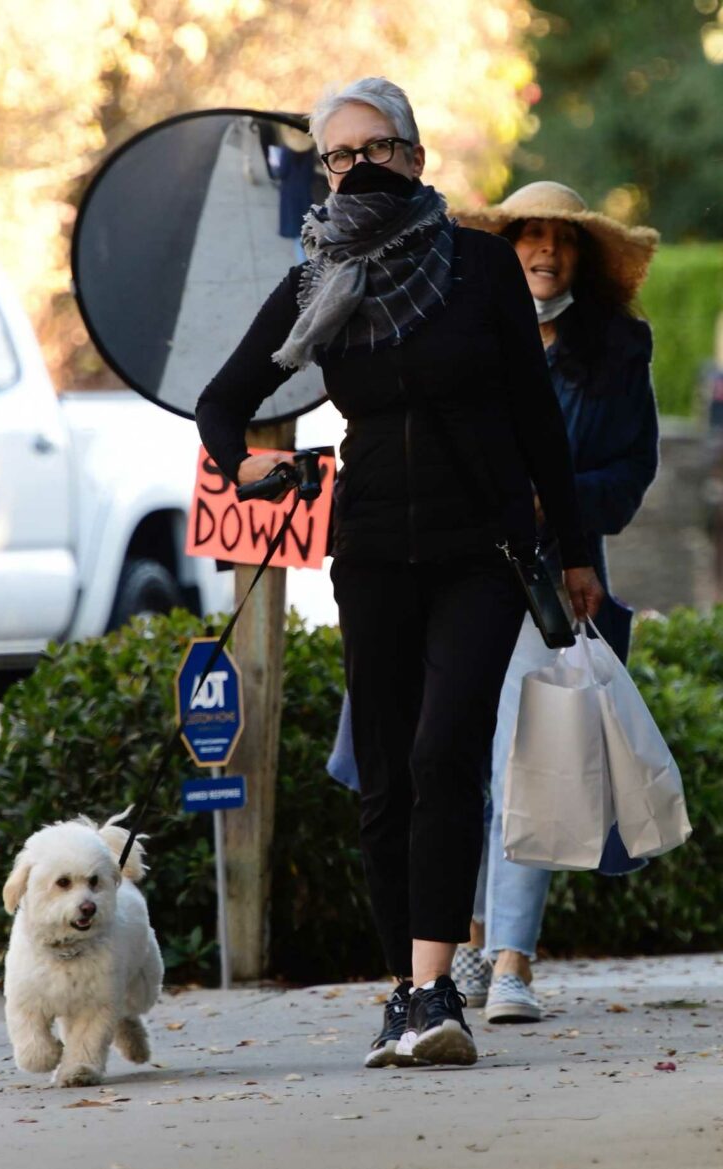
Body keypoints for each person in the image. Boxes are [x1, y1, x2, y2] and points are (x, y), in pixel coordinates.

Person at [195, 79, 603, 1069]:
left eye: (377, 150)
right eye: (339, 156)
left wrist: (579, 546)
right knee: (383, 779)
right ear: (324, 173)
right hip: (371, 546)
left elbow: (539, 418)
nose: (358, 168)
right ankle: (402, 991)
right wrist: (252, 464)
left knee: (441, 754)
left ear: (416, 158)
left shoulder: (478, 266)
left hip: (484, 545)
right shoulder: (317, 277)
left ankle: (432, 989)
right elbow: (221, 401)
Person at [450, 181, 660, 1023]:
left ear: (584, 255)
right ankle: (461, 947)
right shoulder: (469, 334)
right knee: (454, 767)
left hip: (552, 588)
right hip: (459, 575)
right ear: (505, 249)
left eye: (559, 239)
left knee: (528, 768)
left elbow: (631, 473)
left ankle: (511, 965)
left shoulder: (618, 347)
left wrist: (553, 499)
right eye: (526, 235)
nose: (541, 250)